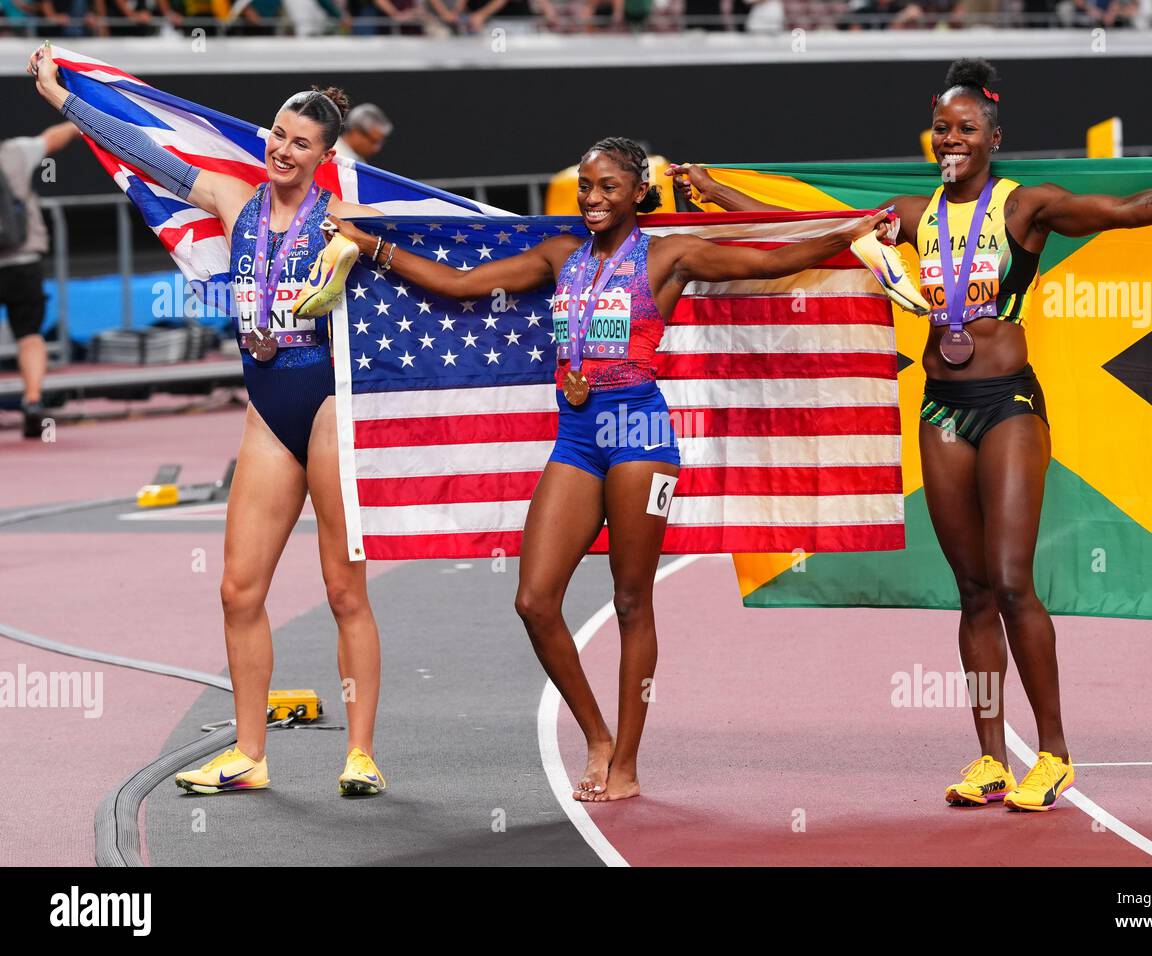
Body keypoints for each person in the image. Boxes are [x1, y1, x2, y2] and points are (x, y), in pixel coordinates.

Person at [670, 58, 1152, 812]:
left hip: (1008, 404)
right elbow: (809, 235)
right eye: (942, 128)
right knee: (972, 592)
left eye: (966, 129)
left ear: (993, 136)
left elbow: (1125, 210)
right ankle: (988, 759)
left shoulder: (1025, 209)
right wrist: (716, 193)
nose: (951, 139)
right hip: (942, 410)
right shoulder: (912, 218)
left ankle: (1054, 752)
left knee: (1010, 582)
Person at [327, 137, 888, 801]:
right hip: (577, 436)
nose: (593, 199)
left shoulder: (669, 255)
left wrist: (849, 234)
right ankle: (594, 734)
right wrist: (370, 246)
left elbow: (772, 260)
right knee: (534, 600)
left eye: (608, 188)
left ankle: (625, 761)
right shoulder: (560, 254)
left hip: (640, 435)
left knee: (630, 601)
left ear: (638, 193)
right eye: (586, 187)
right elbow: (458, 285)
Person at [29, 46, 392, 797]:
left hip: (325, 405)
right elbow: (142, 148)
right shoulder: (233, 200)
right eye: (278, 135)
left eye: (301, 143)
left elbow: (440, 262)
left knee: (344, 591)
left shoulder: (345, 216)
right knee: (237, 591)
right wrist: (66, 101)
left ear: (324, 156)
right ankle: (251, 756)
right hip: (266, 408)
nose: (283, 149)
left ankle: (360, 755)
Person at [0, 120, 78, 440]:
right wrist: (79, 119)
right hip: (23, 261)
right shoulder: (15, 152)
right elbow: (51, 140)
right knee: (29, 335)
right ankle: (32, 401)